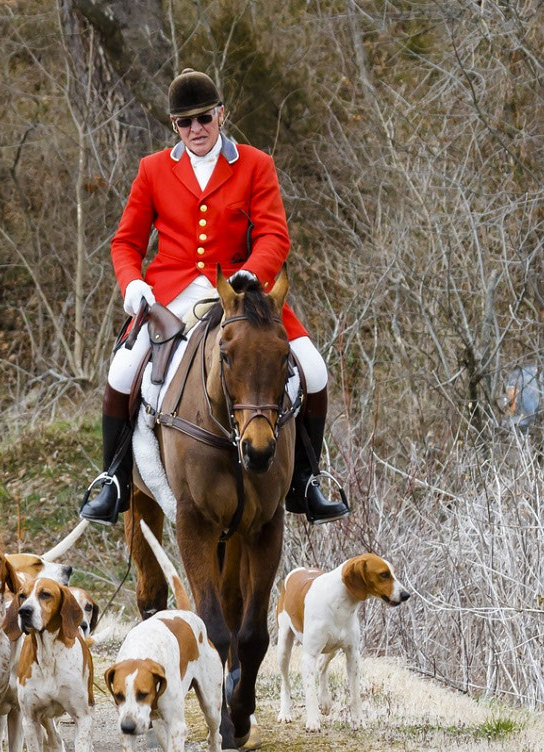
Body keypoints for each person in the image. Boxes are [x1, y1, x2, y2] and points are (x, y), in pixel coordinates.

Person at [79, 68, 348, 526]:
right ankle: (114, 481)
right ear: (174, 126)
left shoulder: (255, 164)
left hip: (241, 294)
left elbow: (274, 235)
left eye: (204, 118)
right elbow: (125, 243)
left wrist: (251, 274)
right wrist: (133, 285)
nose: (196, 130)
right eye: (185, 123)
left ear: (221, 114)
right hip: (171, 294)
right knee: (122, 371)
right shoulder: (153, 169)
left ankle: (307, 481)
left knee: (315, 371)